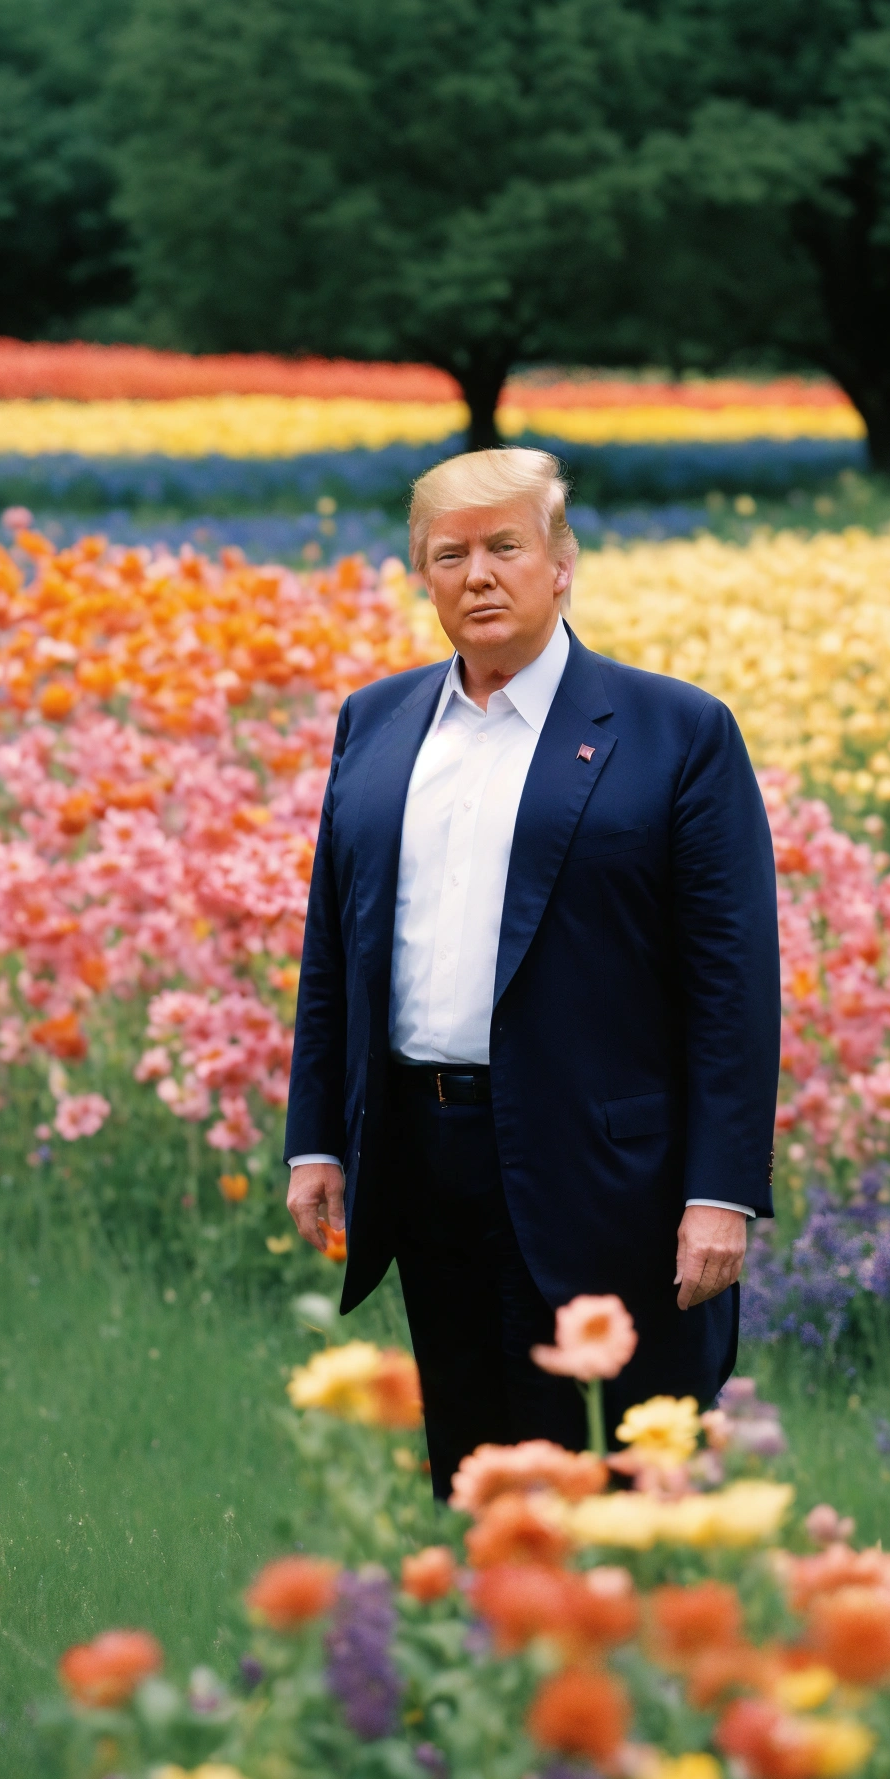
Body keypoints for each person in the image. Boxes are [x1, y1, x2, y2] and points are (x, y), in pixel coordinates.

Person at [283, 447, 779, 1495]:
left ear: (561, 564)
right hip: (422, 1157)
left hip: (611, 1183)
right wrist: (317, 1140)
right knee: (474, 1475)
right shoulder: (373, 725)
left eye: (505, 545)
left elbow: (731, 986)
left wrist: (720, 1194)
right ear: (422, 575)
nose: (476, 574)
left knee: (617, 1478)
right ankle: (491, 1647)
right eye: (447, 554)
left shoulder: (675, 732)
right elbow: (334, 946)